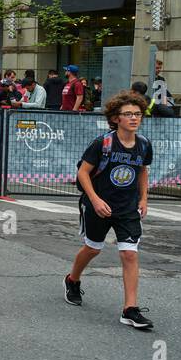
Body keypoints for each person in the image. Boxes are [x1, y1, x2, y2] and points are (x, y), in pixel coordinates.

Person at [64, 91, 153, 329]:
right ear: (115, 118)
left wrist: (144, 198)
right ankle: (72, 280)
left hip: (127, 208)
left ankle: (130, 309)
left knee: (129, 253)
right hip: (99, 205)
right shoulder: (102, 143)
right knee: (93, 248)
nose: (134, 118)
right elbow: (83, 173)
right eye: (128, 114)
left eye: (137, 114)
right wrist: (94, 200)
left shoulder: (143, 145)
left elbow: (143, 171)